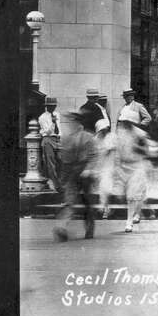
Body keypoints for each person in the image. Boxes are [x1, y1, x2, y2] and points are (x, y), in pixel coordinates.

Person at [53, 111, 98, 242]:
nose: (71, 125)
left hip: (86, 174)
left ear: (79, 123)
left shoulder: (88, 137)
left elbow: (94, 155)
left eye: (73, 122)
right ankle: (62, 228)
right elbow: (65, 161)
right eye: (70, 122)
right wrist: (62, 180)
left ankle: (89, 228)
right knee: (69, 201)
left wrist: (89, 169)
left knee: (87, 203)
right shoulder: (67, 139)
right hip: (73, 174)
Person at [112, 115, 153, 232]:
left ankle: (129, 222)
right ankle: (136, 213)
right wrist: (117, 166)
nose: (125, 124)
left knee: (132, 196)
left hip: (137, 167)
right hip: (124, 167)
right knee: (130, 195)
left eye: (127, 121)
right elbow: (118, 151)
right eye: (124, 122)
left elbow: (146, 152)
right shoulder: (121, 134)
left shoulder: (141, 135)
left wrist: (136, 147)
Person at [91, 118, 115, 220]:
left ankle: (105, 208)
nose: (104, 131)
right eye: (102, 130)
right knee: (102, 188)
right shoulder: (95, 139)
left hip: (109, 166)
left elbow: (112, 150)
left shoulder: (112, 137)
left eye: (105, 129)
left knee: (105, 187)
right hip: (99, 166)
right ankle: (105, 208)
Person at [37, 96, 62, 190]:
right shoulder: (42, 117)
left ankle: (60, 181)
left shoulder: (57, 114)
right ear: (46, 106)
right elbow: (47, 131)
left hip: (57, 139)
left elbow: (59, 128)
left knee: (61, 160)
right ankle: (57, 185)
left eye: (54, 106)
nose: (52, 108)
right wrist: (53, 122)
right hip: (48, 139)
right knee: (50, 163)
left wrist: (60, 135)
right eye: (50, 106)